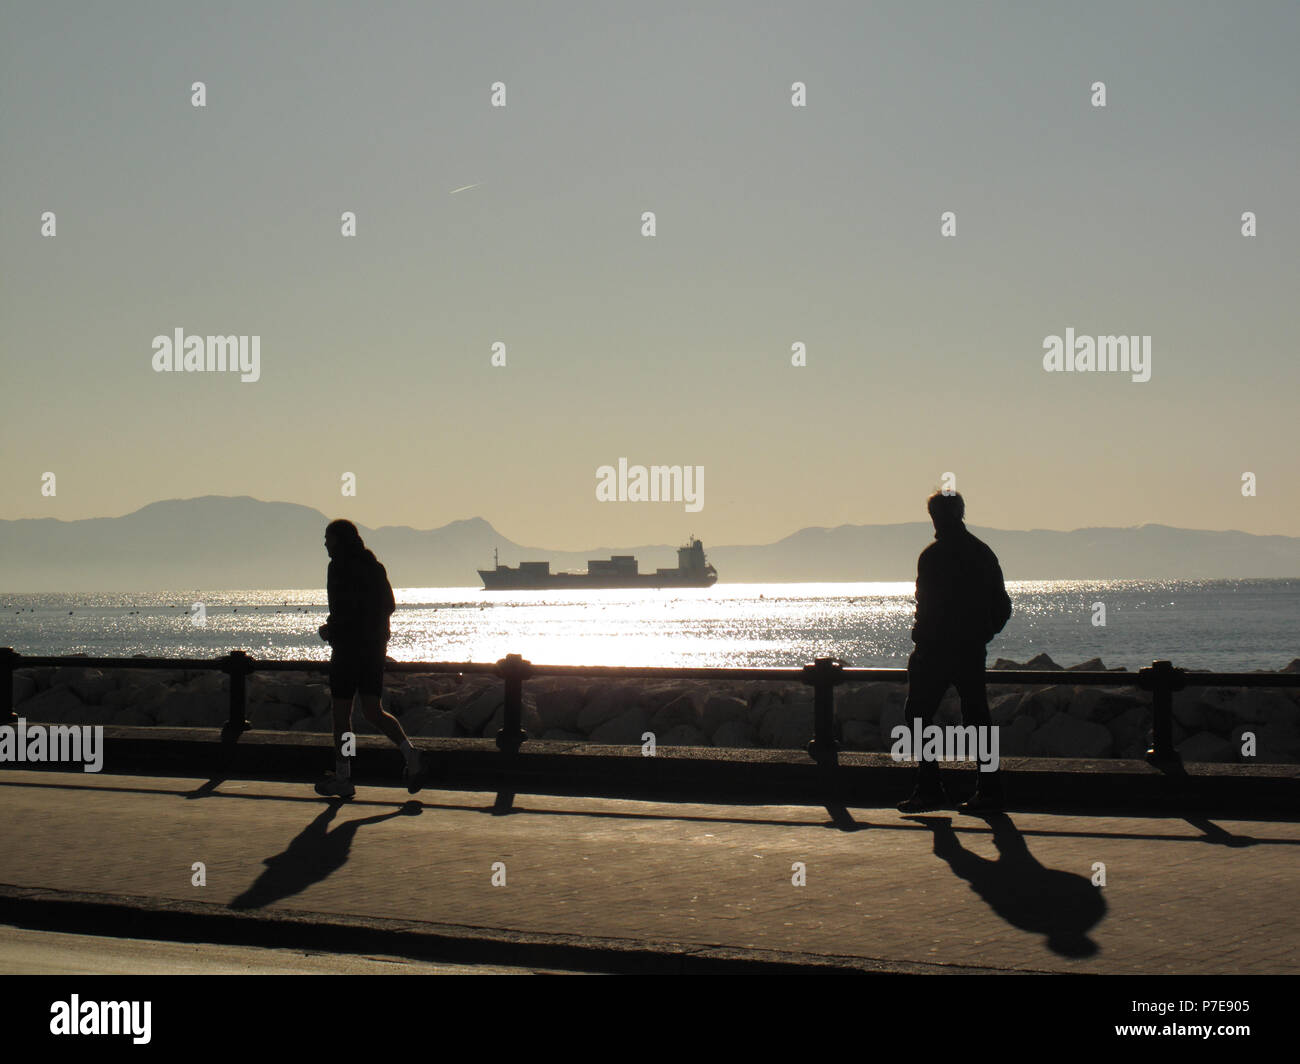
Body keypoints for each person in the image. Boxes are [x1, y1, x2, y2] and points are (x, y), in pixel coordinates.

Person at [897, 491, 1011, 814]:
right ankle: (989, 790)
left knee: (917, 715)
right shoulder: (982, 553)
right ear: (961, 512)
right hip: (970, 650)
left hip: (934, 651)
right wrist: (983, 634)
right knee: (977, 718)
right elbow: (1002, 605)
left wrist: (923, 639)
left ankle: (930, 787)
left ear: (934, 517)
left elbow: (925, 607)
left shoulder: (932, 557)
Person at [314, 519, 424, 798]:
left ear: (339, 540)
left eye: (329, 539)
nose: (325, 544)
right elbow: (388, 606)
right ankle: (410, 755)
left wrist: (332, 629)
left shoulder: (337, 567)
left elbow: (343, 610)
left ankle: (344, 776)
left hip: (347, 651)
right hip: (373, 652)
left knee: (342, 716)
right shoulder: (374, 567)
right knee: (373, 711)